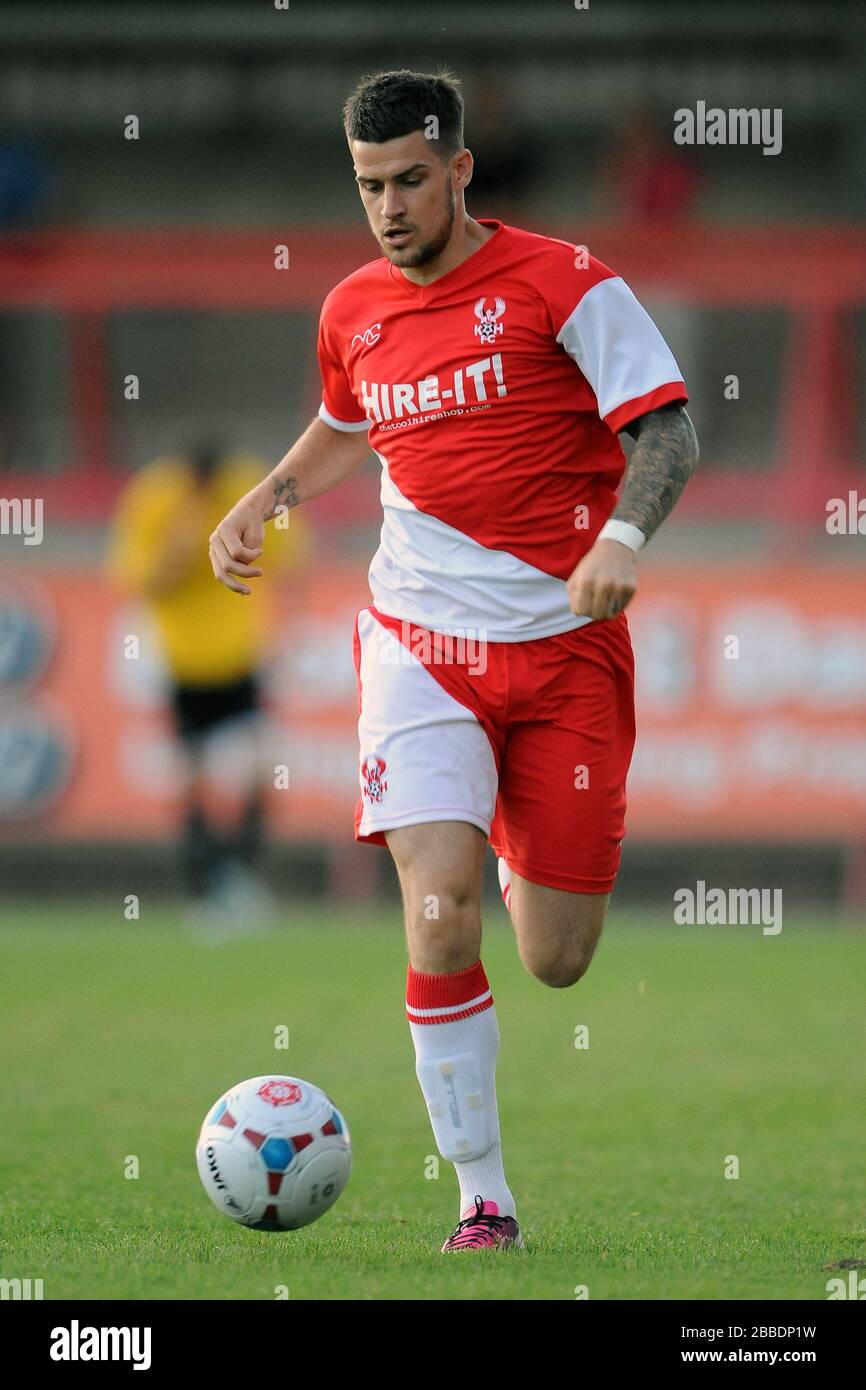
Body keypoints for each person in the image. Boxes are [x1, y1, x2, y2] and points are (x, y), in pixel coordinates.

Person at [209, 70, 699, 1250]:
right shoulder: (350, 309)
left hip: (567, 652)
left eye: (410, 181)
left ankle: (524, 842)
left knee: (557, 959)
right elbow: (345, 424)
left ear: (461, 170)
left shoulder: (564, 282)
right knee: (437, 919)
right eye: (369, 185)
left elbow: (667, 429)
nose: (387, 205)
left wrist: (622, 537)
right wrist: (264, 500)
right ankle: (484, 1197)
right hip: (418, 649)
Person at [108, 442, 309, 926]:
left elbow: (294, 553)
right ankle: (204, 885)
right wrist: (180, 548)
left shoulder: (245, 485)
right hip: (185, 662)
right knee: (192, 780)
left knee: (263, 766)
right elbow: (132, 576)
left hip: (240, 656)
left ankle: (243, 874)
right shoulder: (156, 496)